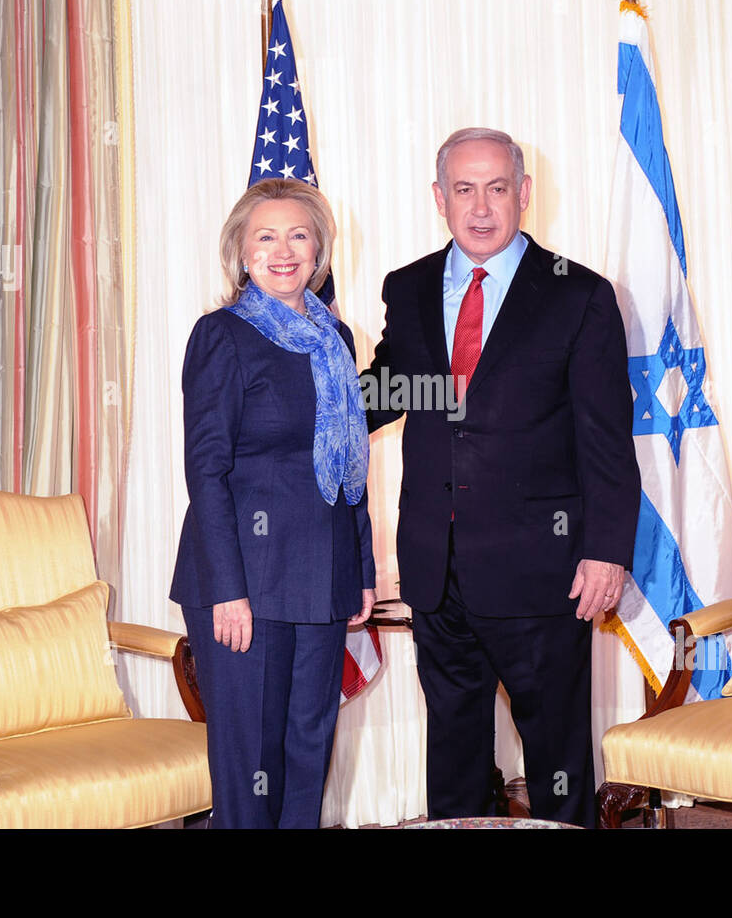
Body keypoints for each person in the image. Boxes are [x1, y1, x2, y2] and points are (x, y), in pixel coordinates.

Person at [364, 128, 639, 827]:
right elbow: (391, 391)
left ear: (524, 193)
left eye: (496, 188)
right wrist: (291, 393)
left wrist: (606, 550)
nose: (480, 207)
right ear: (439, 198)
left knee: (556, 759)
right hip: (436, 568)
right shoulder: (409, 286)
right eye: (464, 189)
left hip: (543, 570)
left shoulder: (579, 295)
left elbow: (606, 440)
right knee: (453, 753)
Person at [170, 178, 376, 829]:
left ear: (319, 250)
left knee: (307, 754)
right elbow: (205, 471)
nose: (283, 251)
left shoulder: (336, 339)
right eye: (266, 236)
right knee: (251, 765)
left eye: (298, 235)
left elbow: (350, 462)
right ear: (241, 250)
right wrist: (227, 590)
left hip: (323, 576)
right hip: (245, 585)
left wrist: (361, 570)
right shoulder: (221, 336)